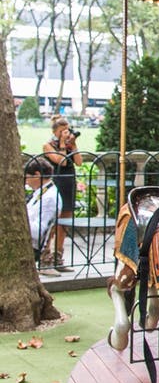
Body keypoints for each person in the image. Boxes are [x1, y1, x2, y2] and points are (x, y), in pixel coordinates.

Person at [41, 116, 82, 272]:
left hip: (68, 184)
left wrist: (74, 144)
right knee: (52, 223)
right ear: (55, 132)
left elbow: (79, 162)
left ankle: (58, 257)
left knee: (64, 223)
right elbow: (62, 161)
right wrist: (63, 145)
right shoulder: (48, 145)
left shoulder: (70, 146)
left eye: (67, 130)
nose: (66, 133)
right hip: (56, 184)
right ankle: (45, 258)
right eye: (62, 131)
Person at [25, 157, 62, 278]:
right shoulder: (42, 192)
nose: (25, 181)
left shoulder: (49, 197)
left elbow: (38, 232)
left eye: (27, 177)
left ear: (37, 175)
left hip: (31, 246)